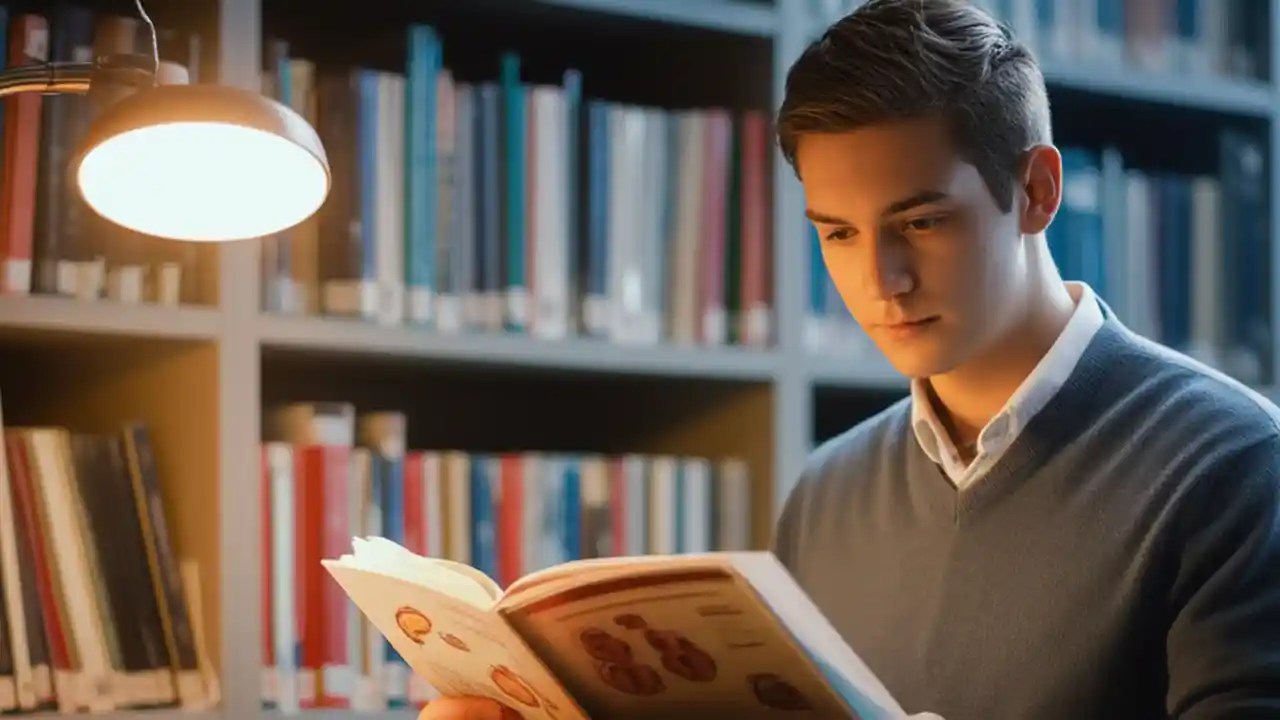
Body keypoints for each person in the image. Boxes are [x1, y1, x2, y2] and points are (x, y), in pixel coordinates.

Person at [420, 0, 1280, 718]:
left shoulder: (1233, 466)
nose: (881, 280)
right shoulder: (827, 493)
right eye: (838, 233)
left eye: (922, 221)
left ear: (1036, 191)